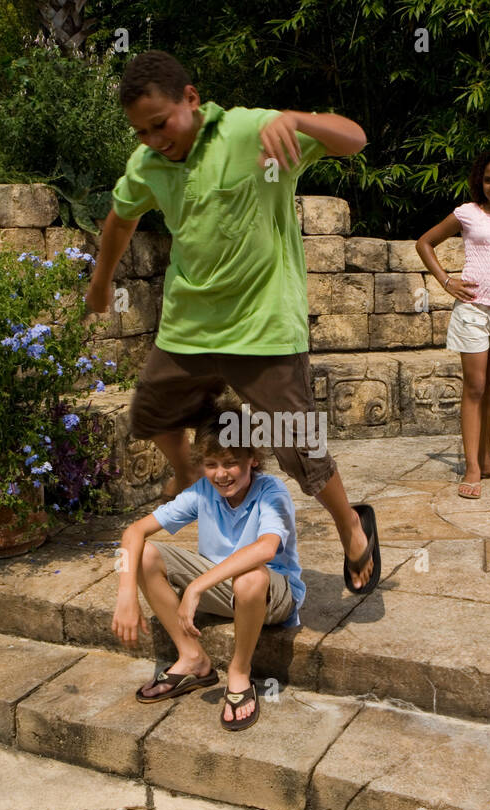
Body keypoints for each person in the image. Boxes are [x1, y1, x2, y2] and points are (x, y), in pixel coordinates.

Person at [85, 50, 381, 594]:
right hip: (188, 328)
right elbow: (120, 218)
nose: (153, 139)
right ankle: (193, 477)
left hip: (263, 327)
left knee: (298, 447)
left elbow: (355, 138)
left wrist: (296, 119)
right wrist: (102, 281)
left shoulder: (250, 131)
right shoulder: (147, 164)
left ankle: (351, 527)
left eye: (161, 124)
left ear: (192, 100)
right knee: (151, 411)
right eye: (141, 131)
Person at [112, 405, 304, 732]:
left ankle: (239, 673)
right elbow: (133, 532)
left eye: (231, 463)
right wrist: (126, 595)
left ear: (252, 459)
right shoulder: (203, 490)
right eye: (211, 464)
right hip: (223, 587)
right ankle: (193, 659)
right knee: (144, 554)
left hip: (271, 594)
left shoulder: (271, 491)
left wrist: (197, 586)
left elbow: (265, 548)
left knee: (251, 576)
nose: (220, 474)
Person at [415, 147, 490, 498]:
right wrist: (446, 281)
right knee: (475, 388)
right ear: (480, 181)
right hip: (474, 311)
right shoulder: (467, 213)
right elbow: (425, 243)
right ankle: (472, 468)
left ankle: (488, 459)